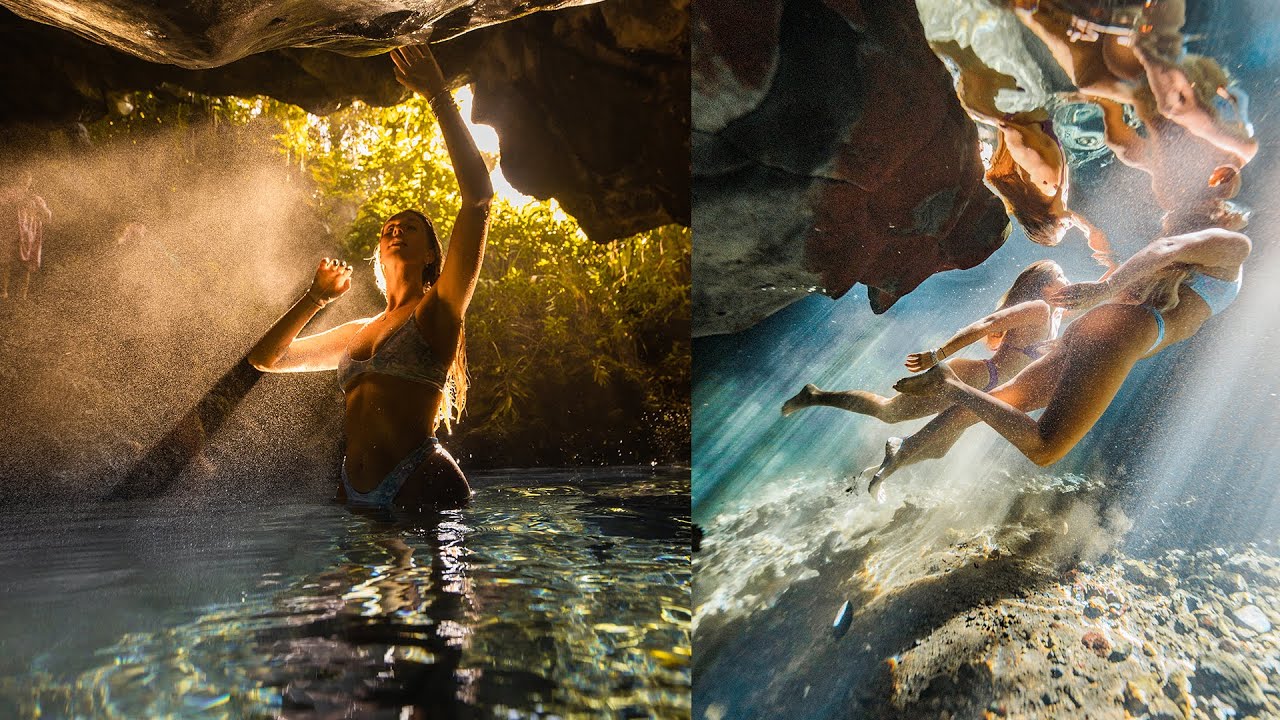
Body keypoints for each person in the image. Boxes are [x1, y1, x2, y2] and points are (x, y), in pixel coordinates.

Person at [248, 44, 493, 511]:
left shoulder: (438, 309)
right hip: (355, 492)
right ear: (379, 255)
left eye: (411, 227)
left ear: (430, 255)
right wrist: (314, 298)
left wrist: (439, 95)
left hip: (422, 479)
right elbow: (265, 360)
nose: (396, 229)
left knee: (451, 588)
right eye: (388, 229)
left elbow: (478, 197)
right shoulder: (356, 333)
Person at [870, 226, 1250, 491]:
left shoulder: (1181, 249)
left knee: (1001, 400)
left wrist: (1103, 284)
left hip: (1094, 330)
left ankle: (906, 448)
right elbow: (1166, 249)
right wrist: (1106, 288)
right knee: (1045, 447)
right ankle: (949, 385)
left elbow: (1163, 251)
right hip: (1126, 332)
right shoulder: (1235, 246)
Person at [782, 261, 1070, 424]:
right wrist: (937, 354)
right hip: (978, 378)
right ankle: (815, 396)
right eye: (1061, 276)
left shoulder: (1053, 316)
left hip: (989, 391)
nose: (1069, 280)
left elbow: (1097, 297)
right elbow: (986, 325)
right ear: (1045, 286)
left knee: (931, 437)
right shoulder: (1038, 308)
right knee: (889, 412)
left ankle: (882, 467)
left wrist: (1110, 265)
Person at [931, 40, 1114, 270]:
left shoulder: (1047, 182)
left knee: (954, 41)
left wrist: (1004, 114)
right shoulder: (1047, 191)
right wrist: (1093, 234)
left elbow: (1016, 135)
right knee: (953, 47)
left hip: (1002, 93)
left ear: (1046, 218)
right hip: (992, 99)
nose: (1071, 225)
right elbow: (1067, 217)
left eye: (1064, 228)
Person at [0, 171, 51, 300]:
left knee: (26, 264)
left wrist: (42, 212)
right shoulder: (5, 193)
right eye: (22, 178)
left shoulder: (34, 198)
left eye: (27, 179)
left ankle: (22, 295)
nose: (25, 181)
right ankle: (3, 292)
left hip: (27, 234)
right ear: (16, 179)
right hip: (8, 231)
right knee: (5, 261)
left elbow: (47, 215)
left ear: (29, 181)